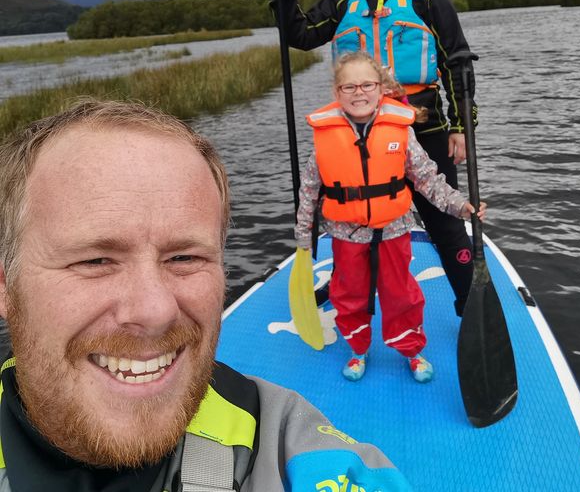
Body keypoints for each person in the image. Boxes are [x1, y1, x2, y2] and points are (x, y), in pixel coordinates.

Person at [0, 100, 413, 491]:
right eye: (95, 261)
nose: (156, 309)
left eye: (184, 257)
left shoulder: (293, 451)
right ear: (6, 286)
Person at [263, 0, 478, 316]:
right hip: (356, 131)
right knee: (351, 217)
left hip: (423, 127)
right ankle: (349, 288)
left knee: (445, 224)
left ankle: (472, 307)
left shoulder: (429, 0)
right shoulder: (344, 0)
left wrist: (462, 129)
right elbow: (300, 33)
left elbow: (457, 61)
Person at [295, 52, 486, 382]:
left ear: (381, 88)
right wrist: (302, 236)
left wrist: (460, 205)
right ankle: (358, 348)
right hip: (346, 235)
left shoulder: (401, 131)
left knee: (402, 295)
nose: (359, 93)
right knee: (348, 295)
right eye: (349, 86)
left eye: (367, 84)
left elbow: (427, 178)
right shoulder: (324, 137)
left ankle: (410, 349)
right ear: (337, 91)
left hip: (394, 231)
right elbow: (309, 190)